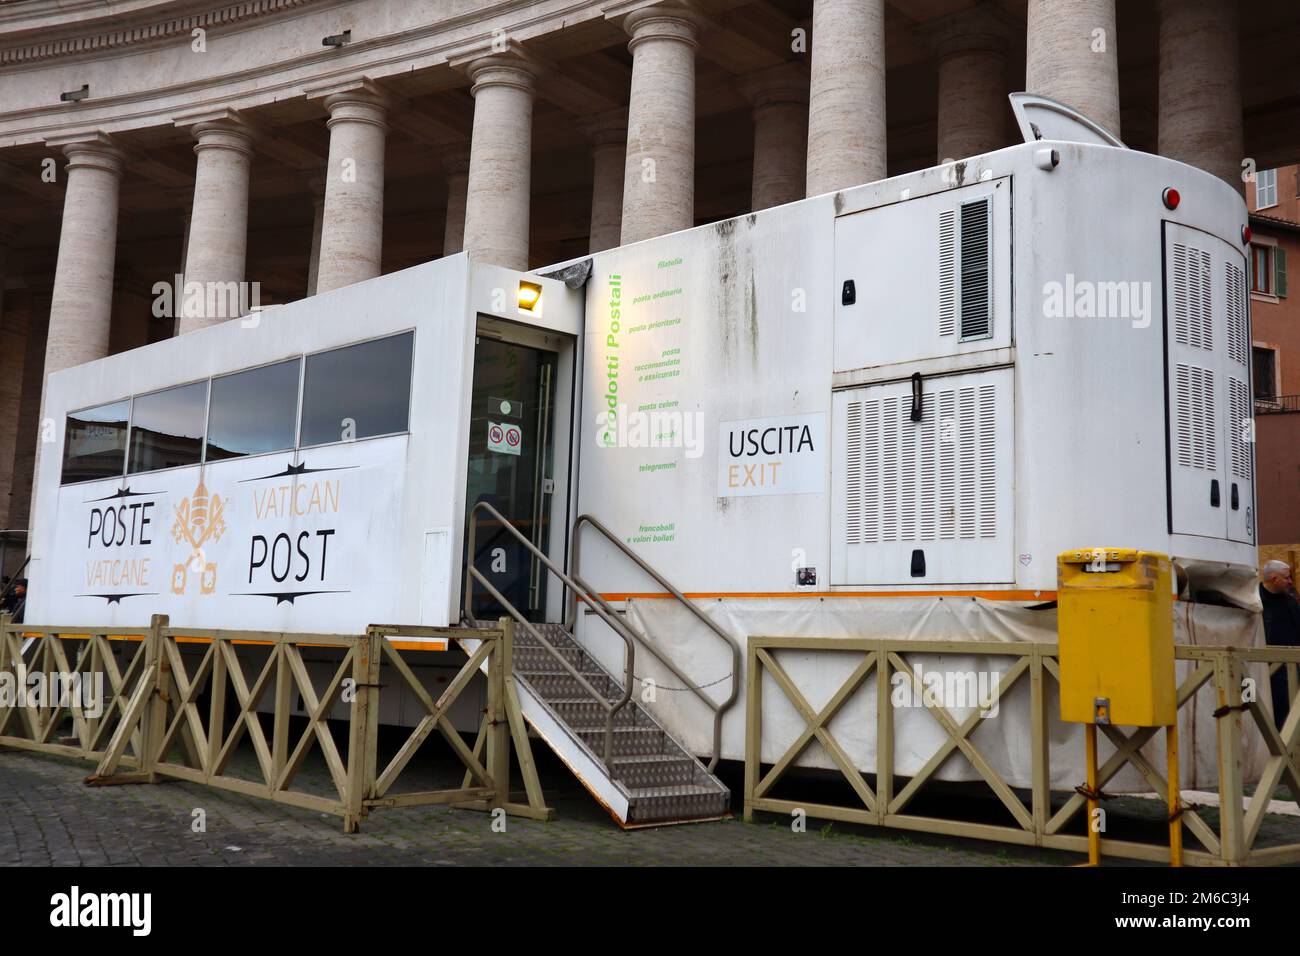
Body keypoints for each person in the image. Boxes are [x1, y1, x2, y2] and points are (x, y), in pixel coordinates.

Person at [1260, 560, 1300, 732]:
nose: (1291, 581)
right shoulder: (1255, 602)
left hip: (1289, 668)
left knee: (1289, 712)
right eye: (1287, 577)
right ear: (1274, 579)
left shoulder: (1290, 602)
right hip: (1261, 668)